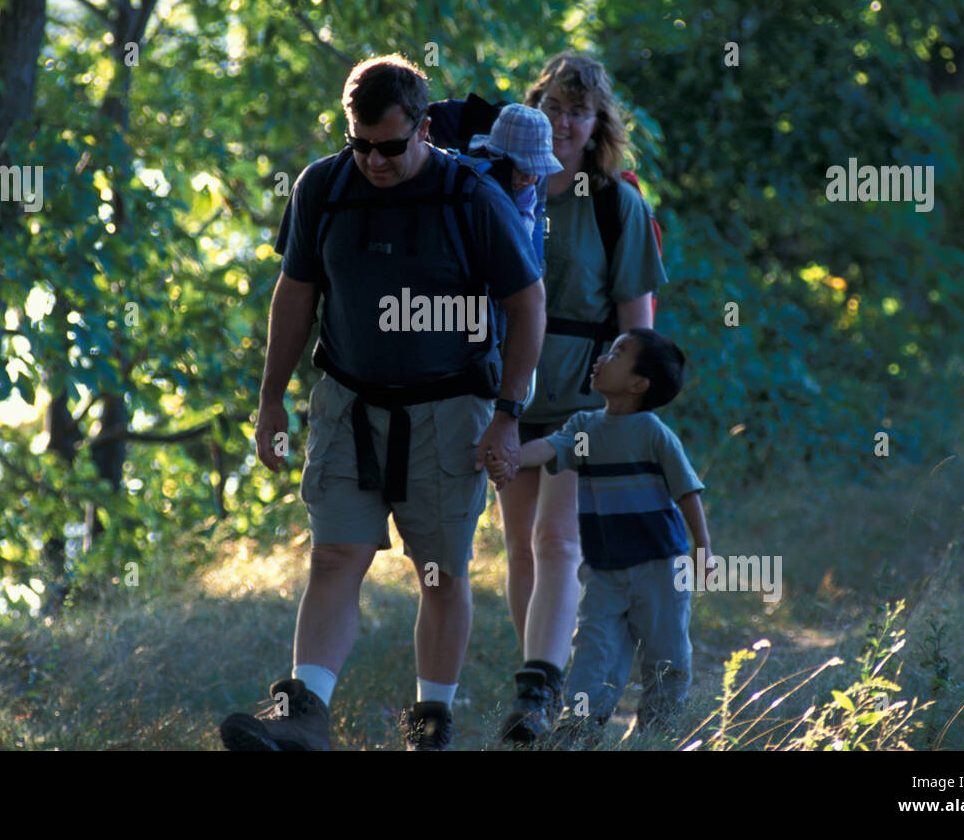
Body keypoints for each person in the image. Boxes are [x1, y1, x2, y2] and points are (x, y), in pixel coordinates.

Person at [219, 54, 546, 751]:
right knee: (336, 555)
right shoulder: (322, 188)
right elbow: (295, 293)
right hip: (347, 401)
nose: (374, 160)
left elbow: (528, 303)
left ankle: (432, 722)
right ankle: (304, 713)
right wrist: (270, 401)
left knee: (441, 572)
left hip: (450, 408)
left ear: (425, 128)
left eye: (391, 146)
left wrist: (508, 415)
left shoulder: (469, 196)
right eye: (359, 144)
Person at [496, 52, 669, 745]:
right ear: (535, 111)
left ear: (598, 124)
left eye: (578, 111)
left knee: (556, 538)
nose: (564, 122)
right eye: (554, 108)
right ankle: (544, 682)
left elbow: (638, 324)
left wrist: (626, 412)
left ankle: (537, 687)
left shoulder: (615, 205)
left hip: (583, 398)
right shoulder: (503, 191)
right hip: (510, 391)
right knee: (518, 548)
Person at [488, 328, 712, 747]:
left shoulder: (653, 433)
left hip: (660, 568)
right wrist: (513, 459)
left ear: (637, 384)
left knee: (666, 658)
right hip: (604, 571)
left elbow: (687, 493)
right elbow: (549, 449)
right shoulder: (584, 426)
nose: (601, 358)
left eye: (617, 353)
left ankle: (656, 735)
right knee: (592, 652)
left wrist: (703, 549)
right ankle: (577, 733)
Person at [467, 102, 565, 241]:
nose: (528, 179)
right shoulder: (472, 180)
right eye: (521, 168)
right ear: (495, 161)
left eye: (536, 170)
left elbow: (530, 237)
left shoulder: (530, 190)